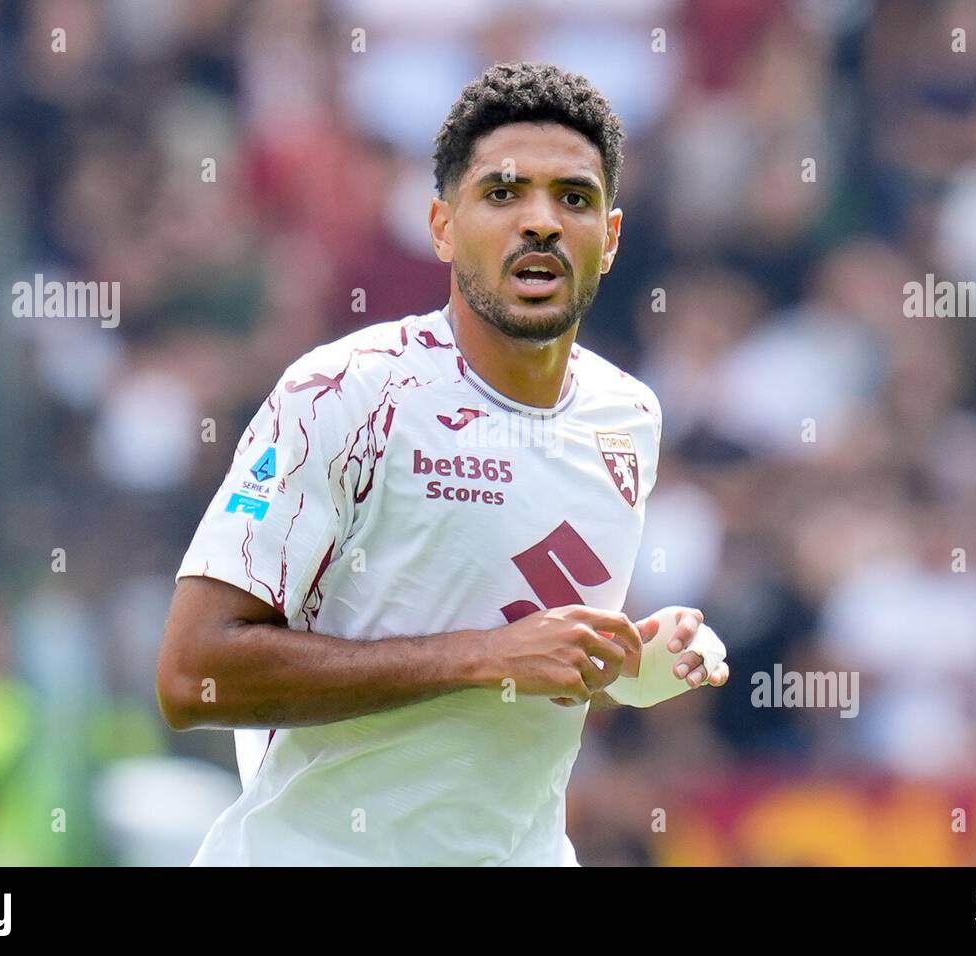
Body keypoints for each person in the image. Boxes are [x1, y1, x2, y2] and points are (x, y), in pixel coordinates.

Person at [156, 62, 728, 866]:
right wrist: (481, 659)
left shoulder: (628, 417)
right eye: (503, 193)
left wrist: (626, 666)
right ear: (441, 226)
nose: (541, 223)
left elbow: (527, 647)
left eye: (574, 198)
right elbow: (192, 676)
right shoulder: (345, 394)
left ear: (612, 238)